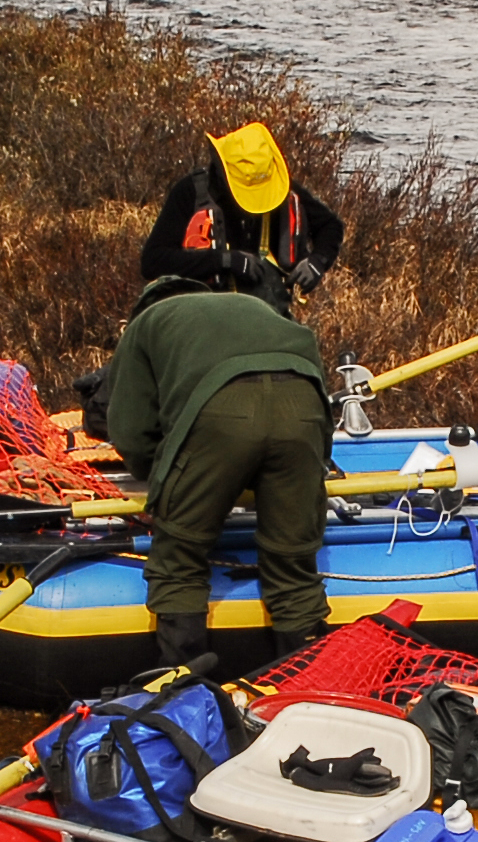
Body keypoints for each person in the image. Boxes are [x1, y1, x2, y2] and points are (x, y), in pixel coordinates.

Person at [104, 273, 334, 670]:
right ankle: (307, 686)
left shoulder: (146, 323)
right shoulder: (250, 305)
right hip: (304, 407)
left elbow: (131, 431)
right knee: (294, 566)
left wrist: (161, 481)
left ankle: (187, 687)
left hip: (221, 412)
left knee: (179, 559)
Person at [141, 121, 345, 303]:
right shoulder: (191, 193)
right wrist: (224, 261)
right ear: (223, 176)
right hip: (202, 313)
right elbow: (153, 261)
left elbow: (331, 226)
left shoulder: (279, 189)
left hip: (268, 315)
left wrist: (317, 261)